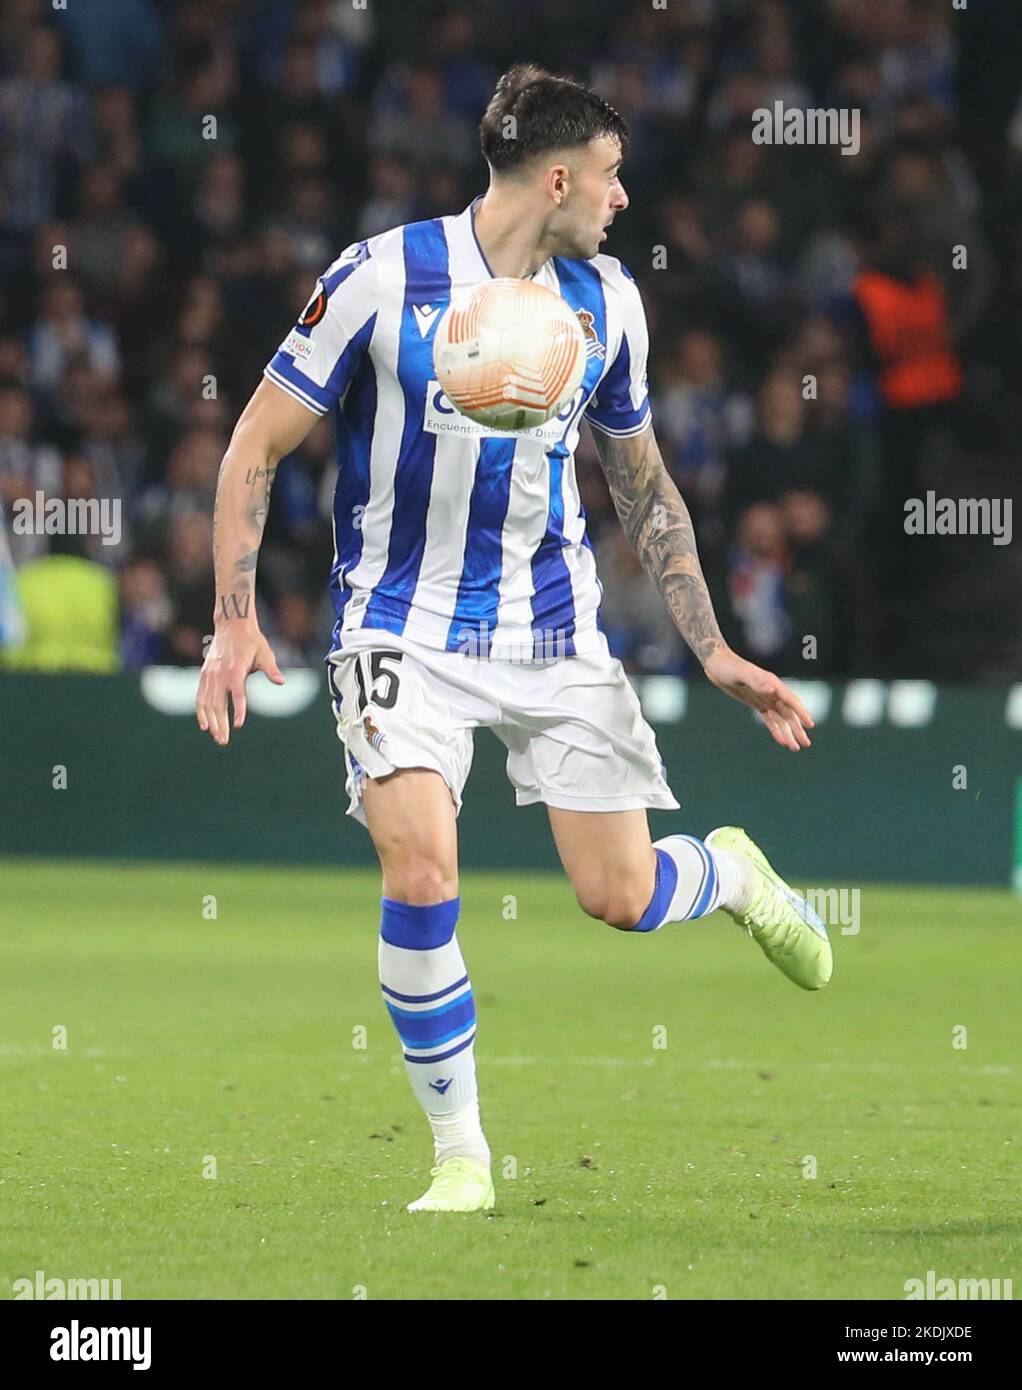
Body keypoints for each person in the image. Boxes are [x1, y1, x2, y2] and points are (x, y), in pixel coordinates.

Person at [195, 64, 831, 1215]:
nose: (621, 199)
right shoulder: (379, 280)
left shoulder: (608, 302)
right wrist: (234, 620)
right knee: (421, 865)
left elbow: (642, 492)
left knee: (620, 895)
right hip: (397, 621)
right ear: (555, 177)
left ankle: (728, 871)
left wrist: (714, 647)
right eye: (609, 176)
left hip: (550, 630)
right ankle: (462, 1155)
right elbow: (252, 445)